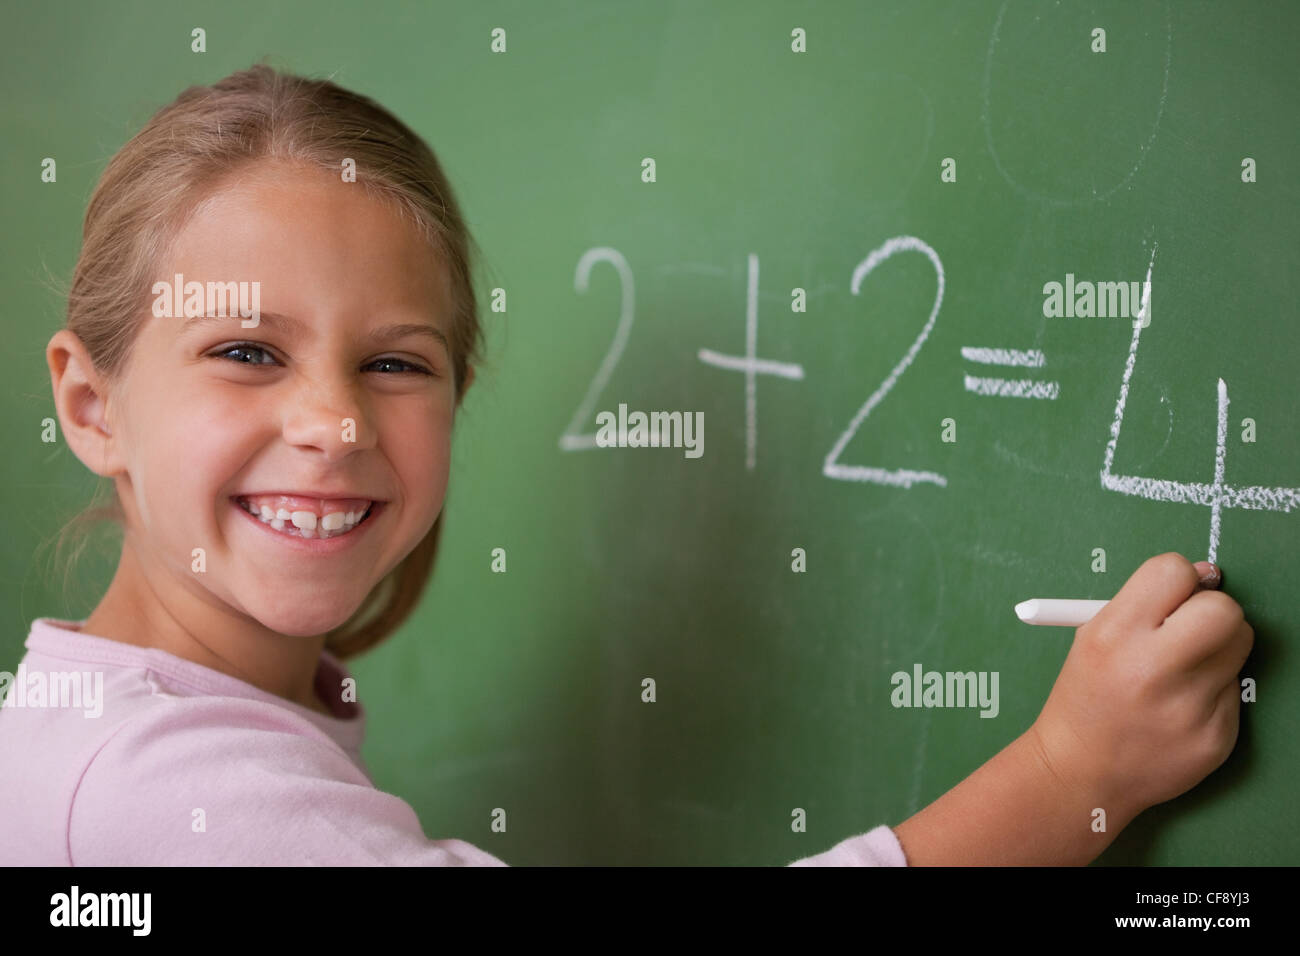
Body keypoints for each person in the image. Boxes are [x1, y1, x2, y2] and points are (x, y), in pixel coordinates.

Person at [0, 65, 1253, 866]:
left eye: (397, 363)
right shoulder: (165, 798)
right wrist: (1070, 774)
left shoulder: (122, 733)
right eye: (247, 349)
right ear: (92, 402)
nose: (335, 422)